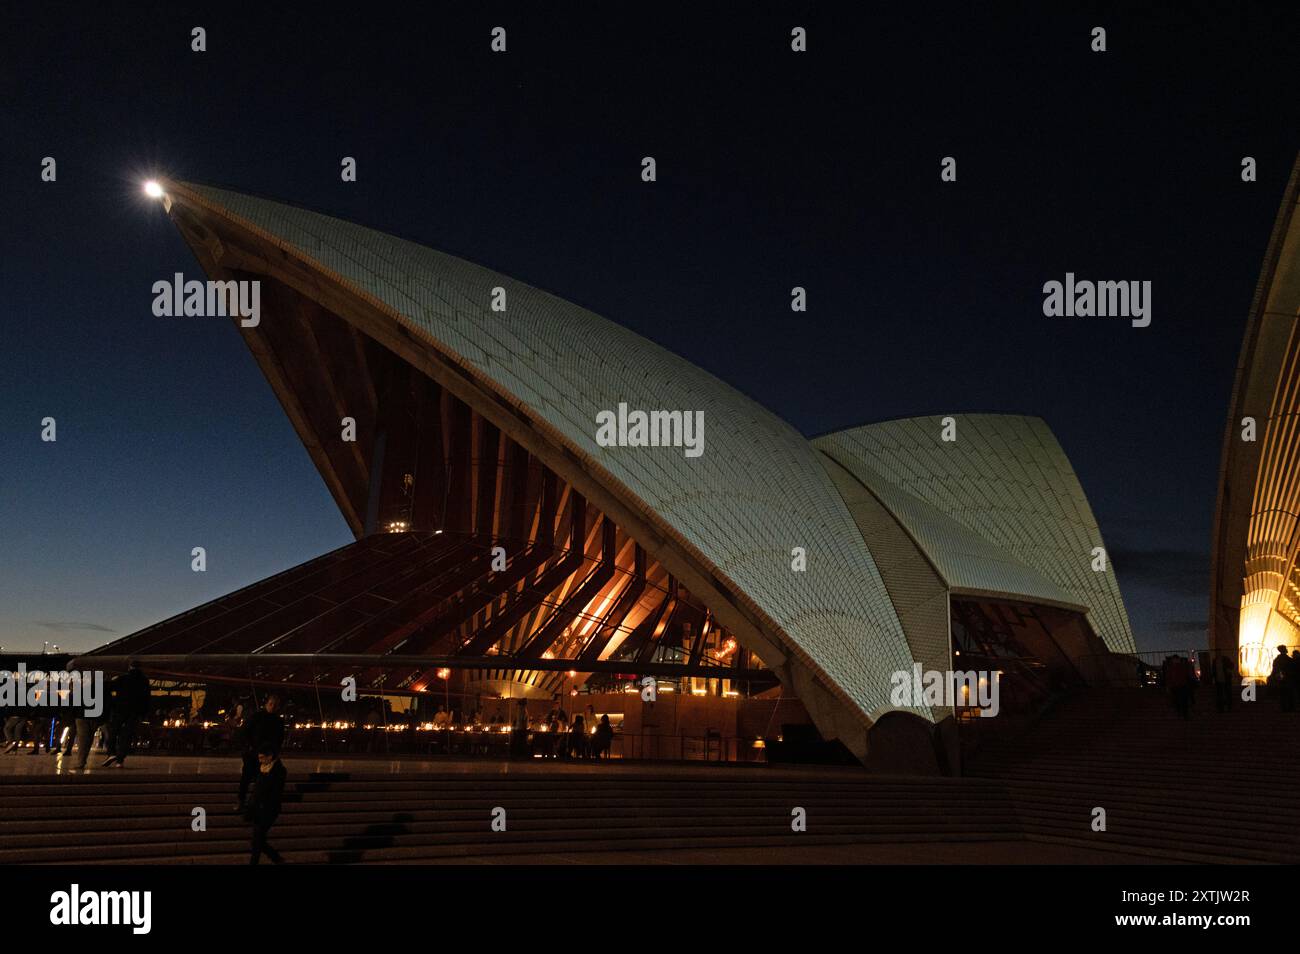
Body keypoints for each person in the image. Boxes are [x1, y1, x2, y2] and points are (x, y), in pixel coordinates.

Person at [236, 694, 284, 813]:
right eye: (271, 704)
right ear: (266, 704)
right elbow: (244, 732)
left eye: (275, 705)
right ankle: (241, 801)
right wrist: (249, 748)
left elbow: (279, 739)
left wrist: (274, 753)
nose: (272, 707)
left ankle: (255, 803)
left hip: (268, 756)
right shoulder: (256, 717)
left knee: (261, 781)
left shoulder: (278, 721)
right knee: (246, 778)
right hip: (253, 754)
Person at [101, 660, 150, 767]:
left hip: (120, 709)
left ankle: (111, 753)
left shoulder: (123, 678)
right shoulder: (144, 681)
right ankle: (120, 760)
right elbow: (146, 698)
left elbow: (109, 687)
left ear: (129, 667)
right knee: (127, 735)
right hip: (135, 711)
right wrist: (143, 713)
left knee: (113, 731)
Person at [245, 745, 287, 865]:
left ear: (270, 756)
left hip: (269, 809)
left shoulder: (279, 771)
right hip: (258, 808)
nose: (260, 760)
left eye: (262, 757)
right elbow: (256, 791)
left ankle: (270, 859)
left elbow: (275, 792)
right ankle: (276, 858)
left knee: (257, 839)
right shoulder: (262, 768)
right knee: (258, 840)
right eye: (259, 757)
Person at [1269, 645, 1296, 712]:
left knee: (1282, 694)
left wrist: (1273, 677)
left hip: (1280, 679)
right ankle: (1290, 708)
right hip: (1288, 679)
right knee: (1289, 694)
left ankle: (1283, 708)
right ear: (1284, 650)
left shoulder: (1277, 660)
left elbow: (1275, 669)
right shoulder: (1289, 660)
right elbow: (1293, 669)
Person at [1165, 654, 1191, 720]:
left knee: (1179, 701)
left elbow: (1169, 677)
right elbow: (1169, 677)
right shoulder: (1181, 666)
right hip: (1179, 686)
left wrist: (1169, 686)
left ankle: (1182, 714)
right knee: (1181, 701)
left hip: (1178, 686)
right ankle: (1183, 714)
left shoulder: (1172, 667)